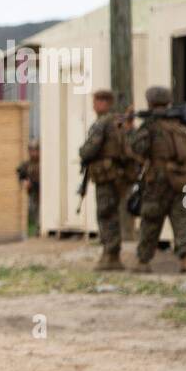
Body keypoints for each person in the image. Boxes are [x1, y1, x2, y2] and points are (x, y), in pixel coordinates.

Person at [129, 86, 186, 274]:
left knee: (150, 220)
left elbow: (137, 149)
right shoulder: (182, 126)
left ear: (149, 102)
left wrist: (129, 130)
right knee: (181, 219)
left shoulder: (150, 126)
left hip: (158, 181)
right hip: (184, 180)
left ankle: (143, 261)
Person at [77, 89, 136, 269]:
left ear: (105, 103)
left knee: (105, 214)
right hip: (117, 175)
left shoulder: (103, 123)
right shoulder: (117, 122)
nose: (94, 105)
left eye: (96, 101)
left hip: (106, 176)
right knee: (111, 213)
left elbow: (89, 150)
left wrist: (82, 152)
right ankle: (111, 254)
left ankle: (111, 255)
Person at [16, 139, 40, 234]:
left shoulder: (44, 163)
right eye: (31, 150)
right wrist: (25, 182)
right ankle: (37, 229)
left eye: (35, 150)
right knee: (35, 211)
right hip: (34, 194)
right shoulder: (27, 164)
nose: (33, 153)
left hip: (43, 193)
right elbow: (21, 175)